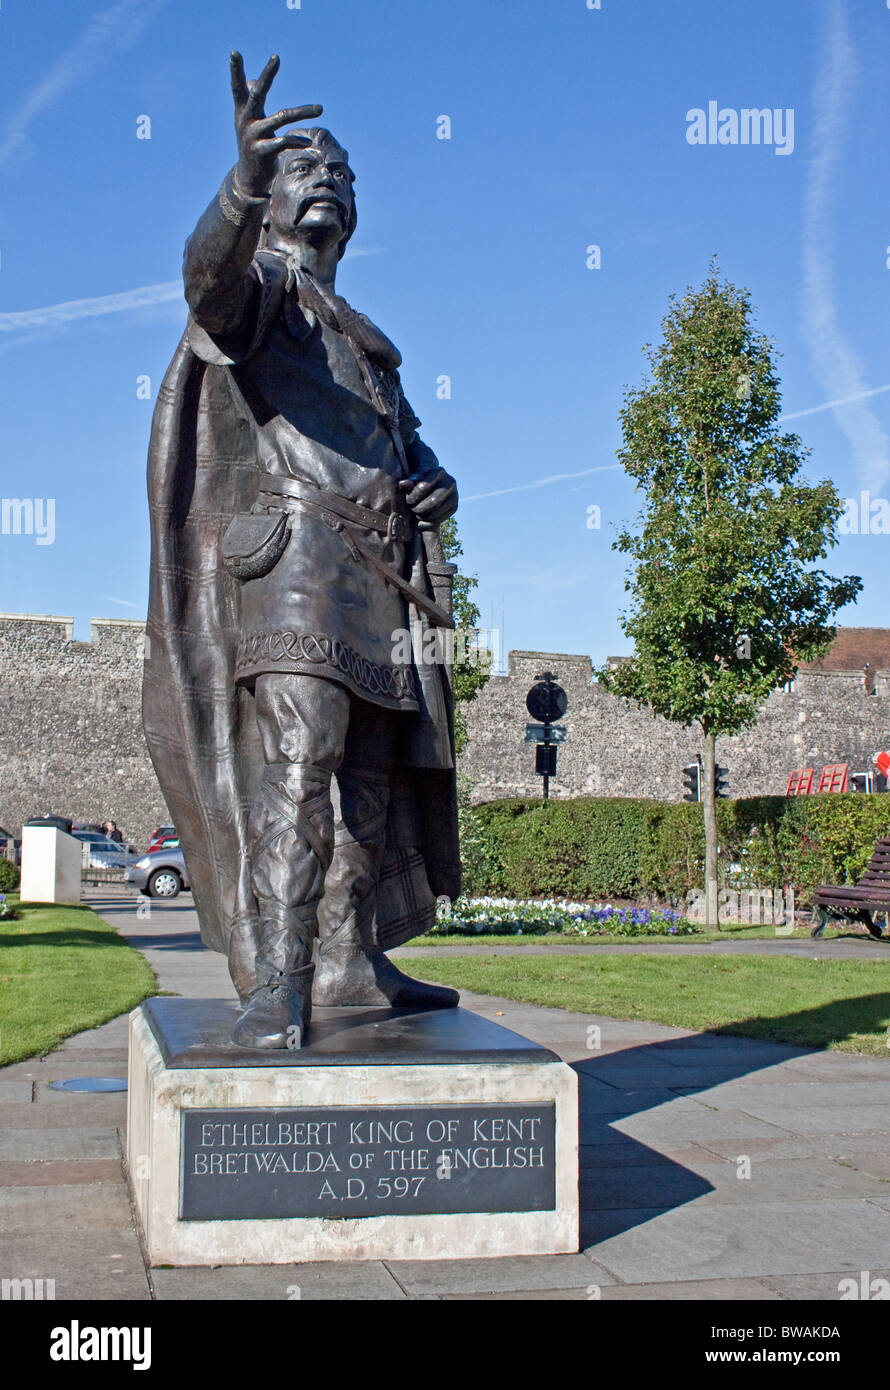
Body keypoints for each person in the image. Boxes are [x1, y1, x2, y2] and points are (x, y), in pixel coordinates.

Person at [143, 53, 461, 1048]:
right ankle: (276, 981)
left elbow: (401, 442)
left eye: (341, 169)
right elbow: (205, 280)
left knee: (369, 782)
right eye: (302, 164)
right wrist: (237, 183)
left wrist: (435, 479)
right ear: (268, 200)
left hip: (375, 571)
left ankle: (351, 963)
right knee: (295, 764)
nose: (324, 174)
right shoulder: (258, 301)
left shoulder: (364, 341)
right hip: (290, 564)